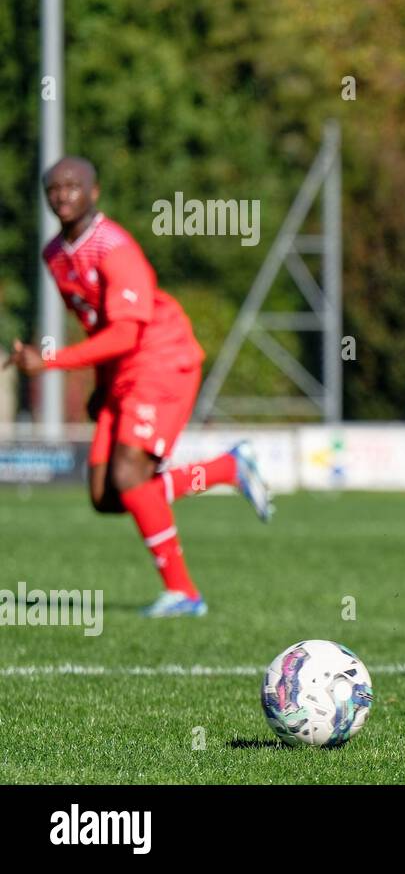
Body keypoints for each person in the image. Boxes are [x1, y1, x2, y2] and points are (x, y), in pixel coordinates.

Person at [7, 156, 273, 618]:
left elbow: (128, 333)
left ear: (95, 193)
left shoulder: (114, 248)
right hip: (123, 372)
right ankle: (226, 469)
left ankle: (184, 594)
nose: (63, 194)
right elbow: (98, 326)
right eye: (54, 187)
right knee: (106, 496)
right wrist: (102, 386)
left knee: (131, 478)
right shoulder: (55, 254)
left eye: (74, 186)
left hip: (160, 358)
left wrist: (49, 360)